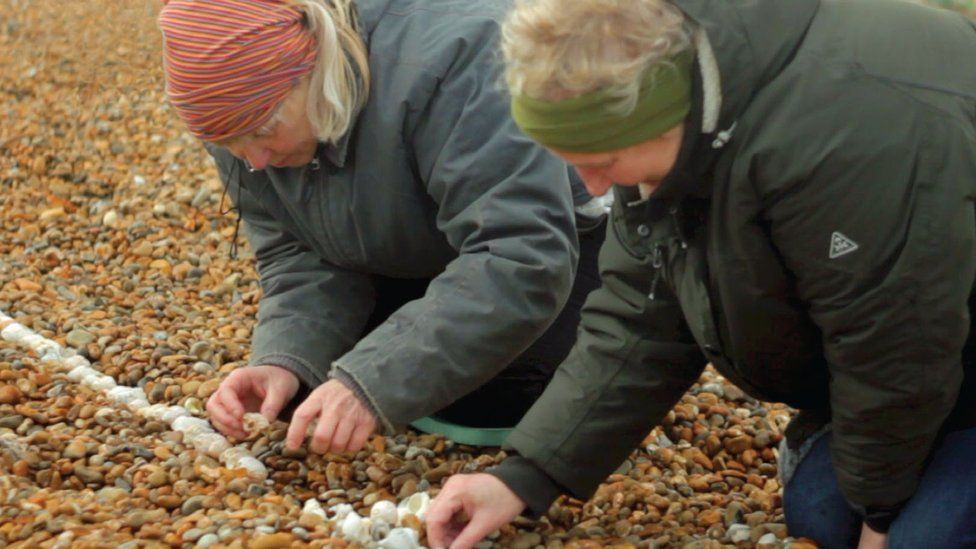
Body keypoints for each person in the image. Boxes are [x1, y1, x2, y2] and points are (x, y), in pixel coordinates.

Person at [427, 0, 976, 547]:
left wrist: (877, 519)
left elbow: (895, 344)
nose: (593, 189)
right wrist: (523, 477)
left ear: (663, 115)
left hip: (929, 342)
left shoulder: (845, 135)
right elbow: (639, 317)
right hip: (918, 353)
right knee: (823, 514)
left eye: (604, 162)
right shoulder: (681, 109)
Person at [156, 0, 606, 453]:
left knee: (504, 398)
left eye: (263, 130)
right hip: (413, 242)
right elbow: (298, 250)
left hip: (565, 235)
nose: (255, 161)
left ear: (312, 70)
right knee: (318, 383)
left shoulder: (458, 57)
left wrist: (372, 380)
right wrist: (285, 359)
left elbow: (522, 255)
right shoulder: (235, 121)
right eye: (227, 144)